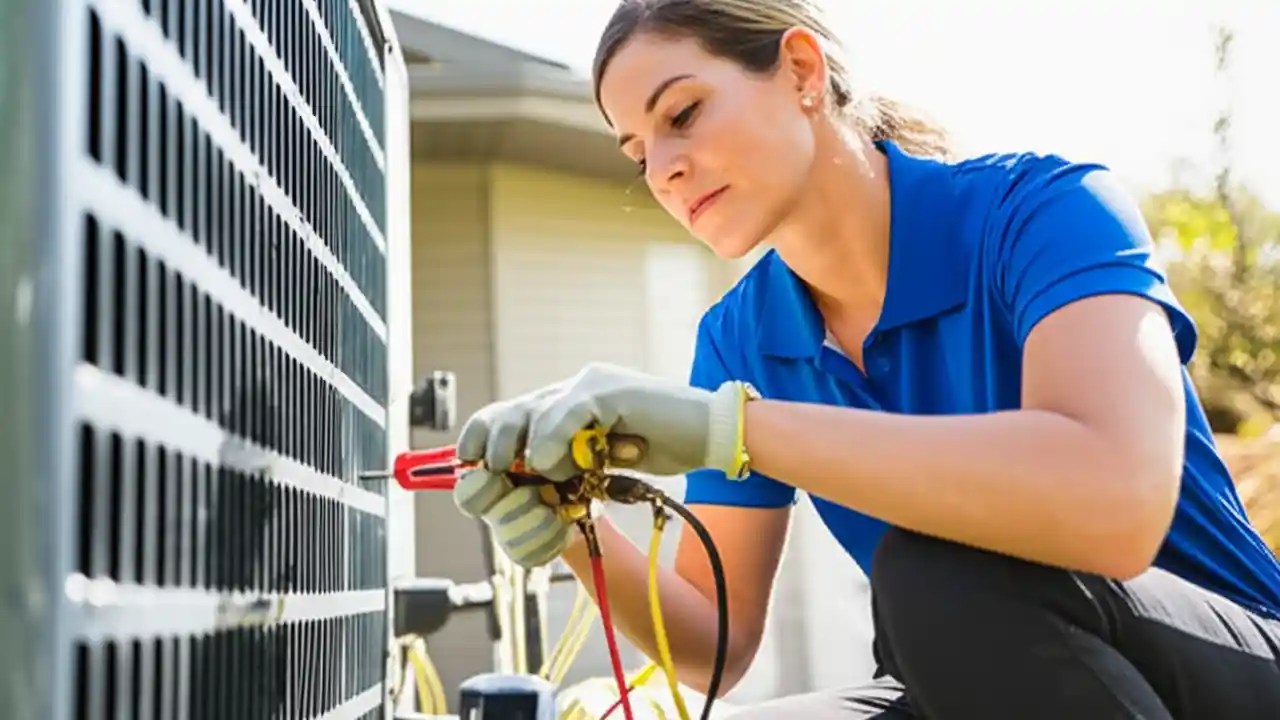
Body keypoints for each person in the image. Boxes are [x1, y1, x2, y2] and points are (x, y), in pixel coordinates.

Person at [451, 0, 1280, 717]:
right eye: (637, 152)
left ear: (802, 70)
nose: (663, 169)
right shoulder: (739, 338)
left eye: (684, 113)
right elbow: (718, 642)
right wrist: (574, 528)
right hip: (973, 676)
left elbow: (1115, 505)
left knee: (934, 569)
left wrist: (734, 430)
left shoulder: (1044, 213)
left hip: (1229, 670)